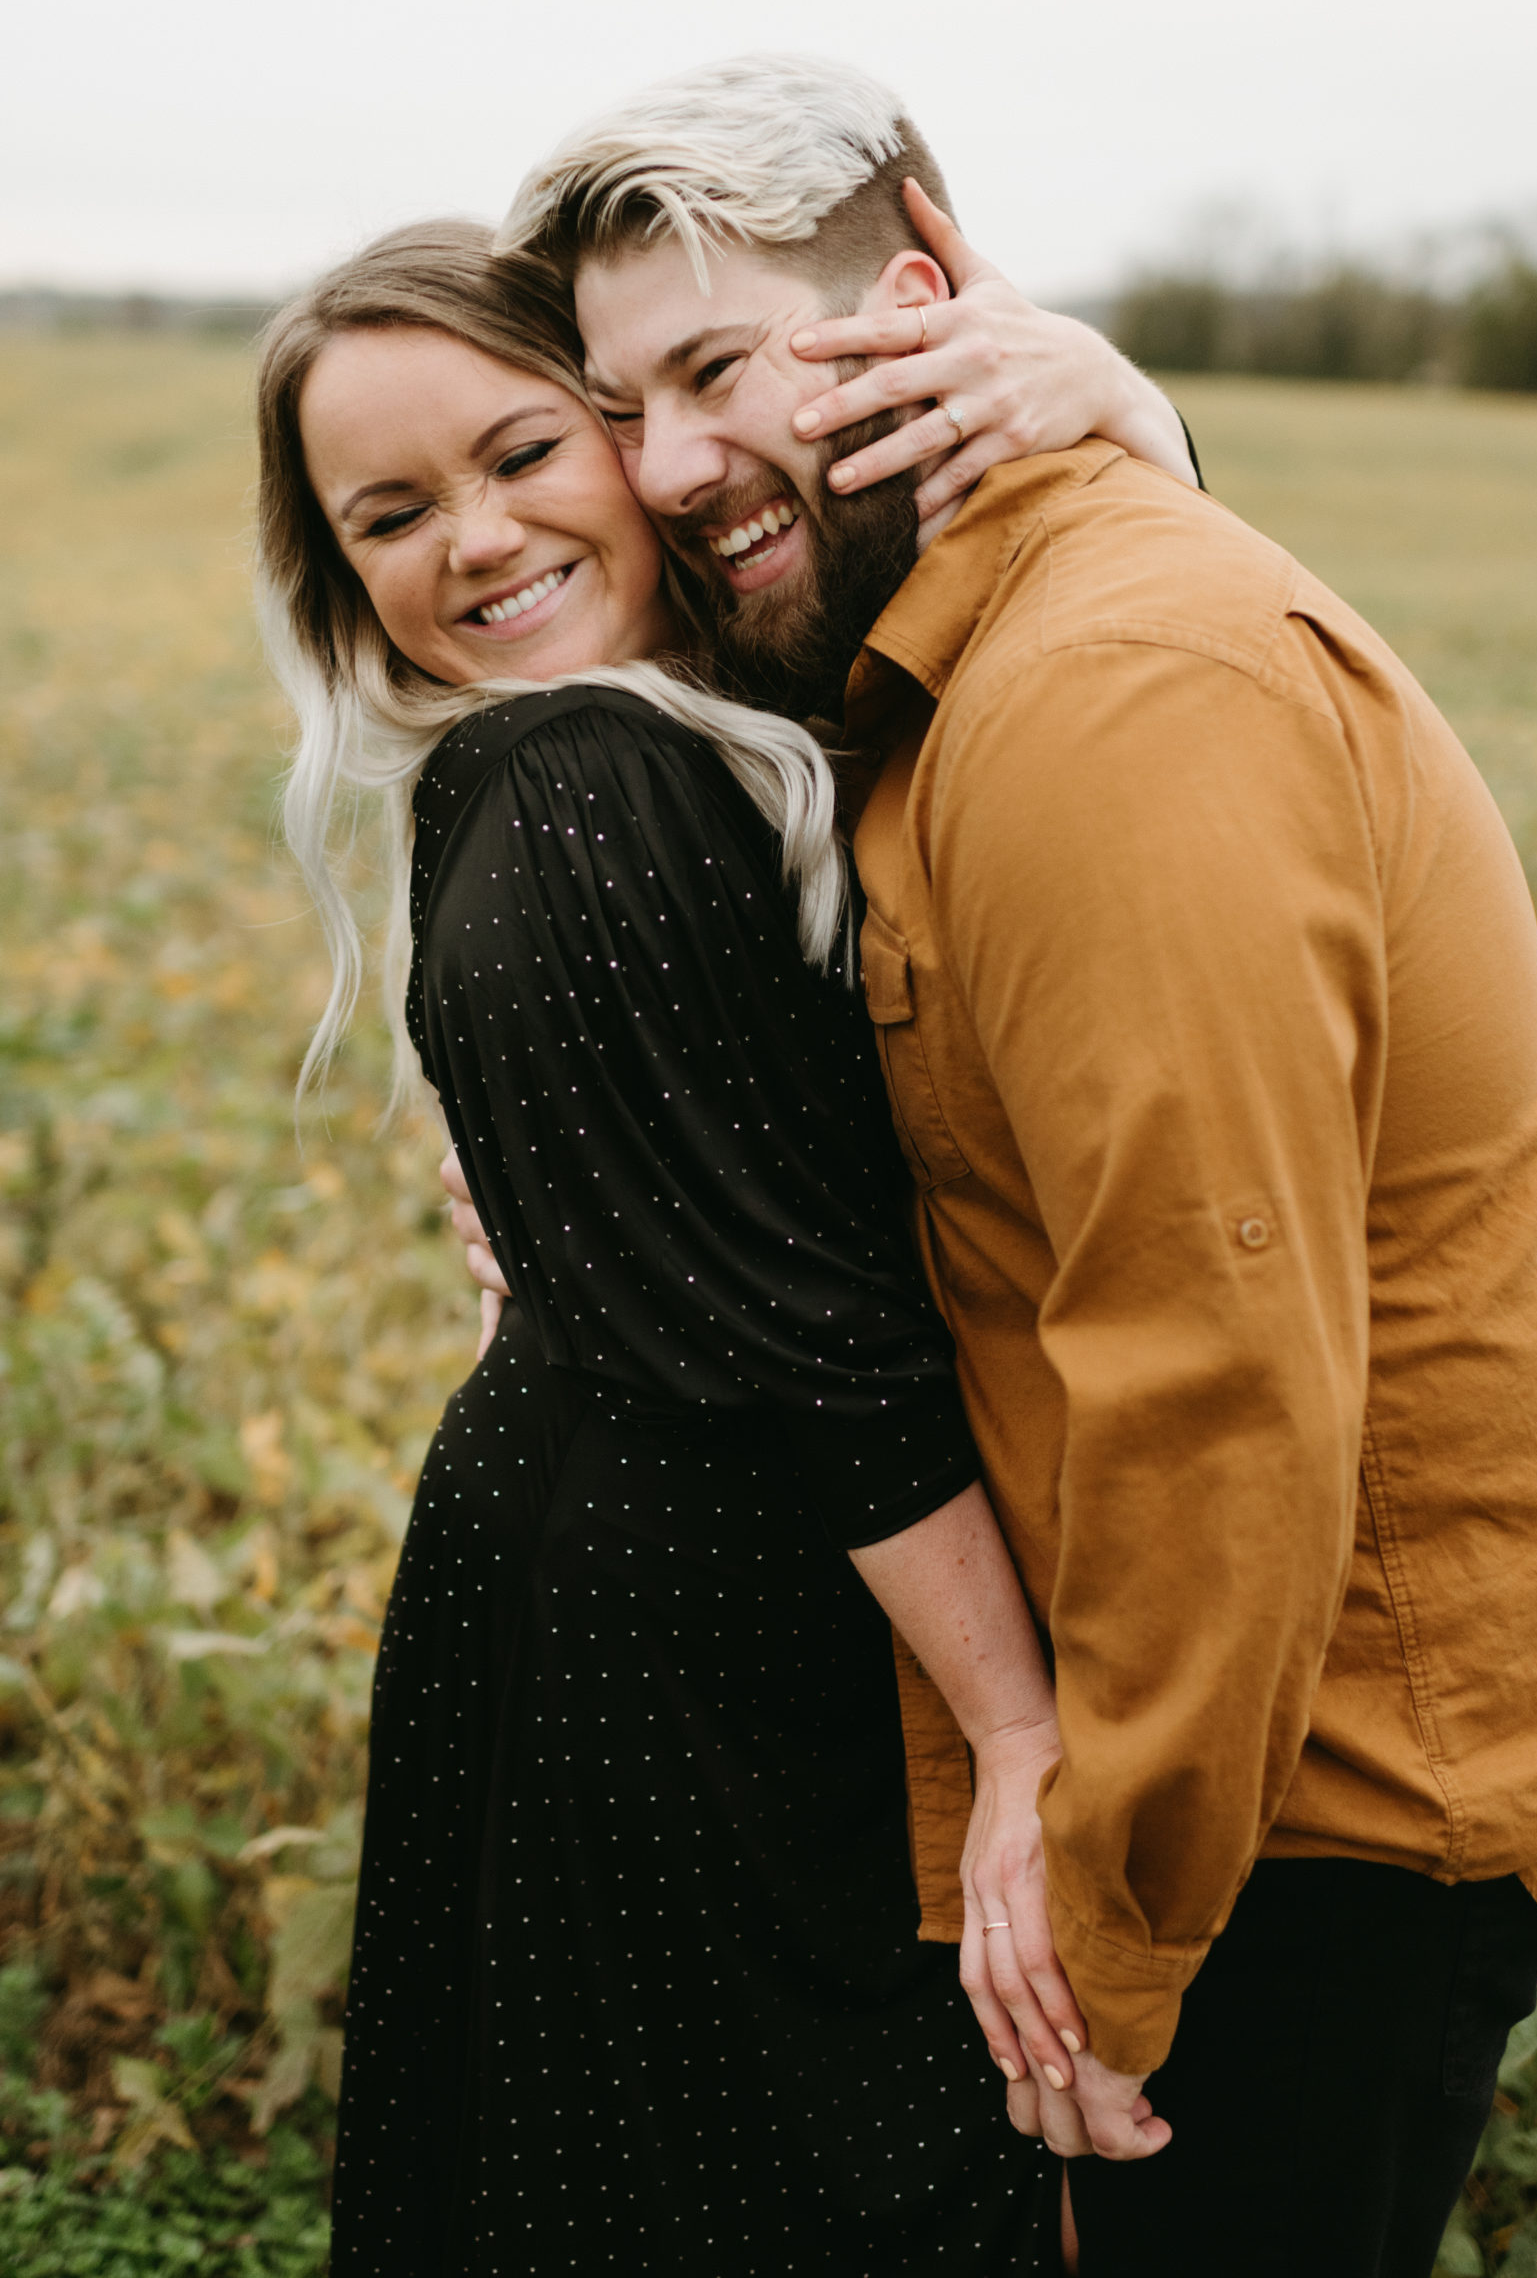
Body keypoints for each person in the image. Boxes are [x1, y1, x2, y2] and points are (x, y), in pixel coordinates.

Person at [493, 52, 1537, 2278]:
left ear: (926, 304)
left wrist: (1104, 1958)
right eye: (621, 401)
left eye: (718, 365)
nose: (664, 464)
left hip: (1314, 1819)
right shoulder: (948, 645)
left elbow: (1218, 1387)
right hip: (1243, 1770)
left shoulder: (1110, 695)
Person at [254, 215, 1198, 2274]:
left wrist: (1131, 417)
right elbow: (817, 1338)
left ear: (632, 440)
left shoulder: (678, 743)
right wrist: (1026, 1737)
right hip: (697, 1618)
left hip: (601, 1563)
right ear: (347, 580)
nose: (476, 538)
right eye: (393, 513)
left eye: (522, 452)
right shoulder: (596, 770)